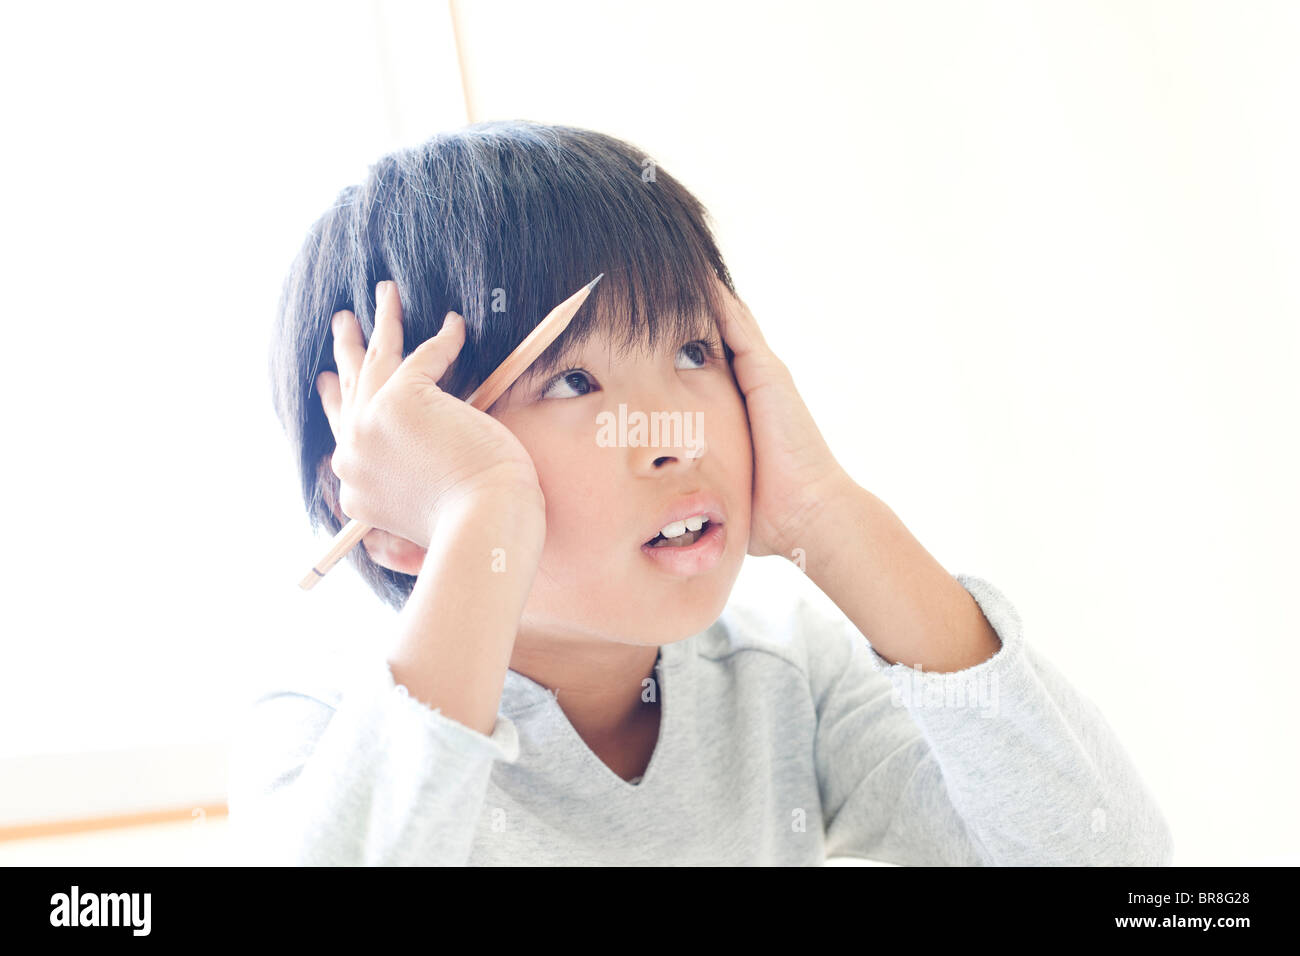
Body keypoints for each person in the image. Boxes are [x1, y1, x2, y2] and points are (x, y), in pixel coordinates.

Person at [236, 119, 1174, 865]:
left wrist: (829, 521)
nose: (672, 430)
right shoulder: (326, 725)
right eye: (571, 381)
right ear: (388, 504)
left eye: (695, 352)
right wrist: (480, 514)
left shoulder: (786, 681)